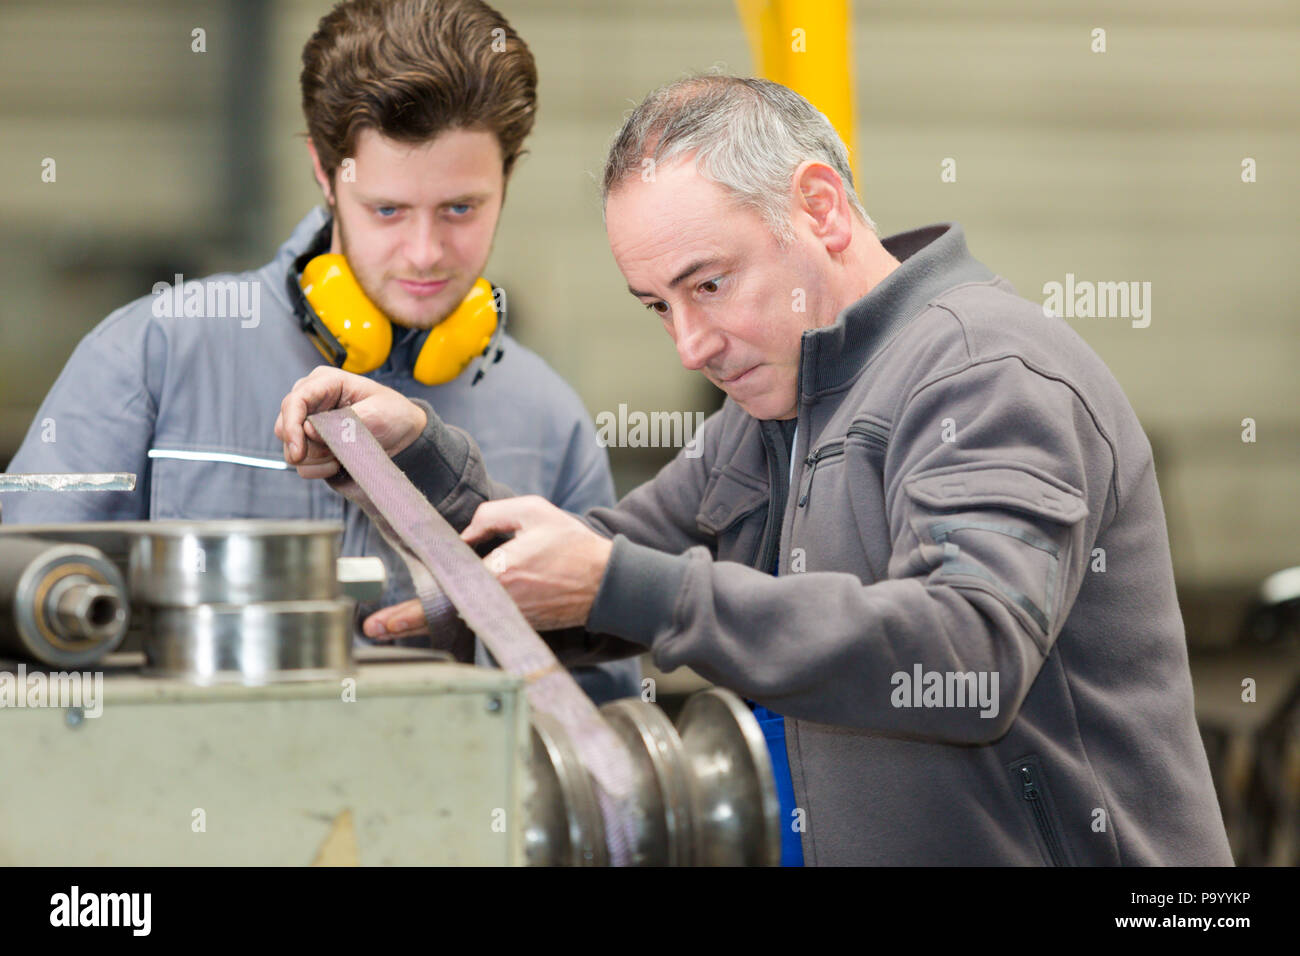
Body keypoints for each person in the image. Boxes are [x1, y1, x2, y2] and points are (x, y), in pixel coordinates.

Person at [276, 75, 1234, 866]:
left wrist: (632, 588)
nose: (690, 343)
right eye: (657, 305)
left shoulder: (985, 375)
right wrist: (418, 461)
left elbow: (967, 656)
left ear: (818, 207)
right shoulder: (775, 404)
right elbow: (605, 572)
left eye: (708, 284)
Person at [2, 0, 639, 704]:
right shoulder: (152, 356)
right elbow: (21, 610)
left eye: (460, 208)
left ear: (508, 177)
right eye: (387, 210)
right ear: (322, 169)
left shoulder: (549, 422)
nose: (425, 253)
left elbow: (596, 713)